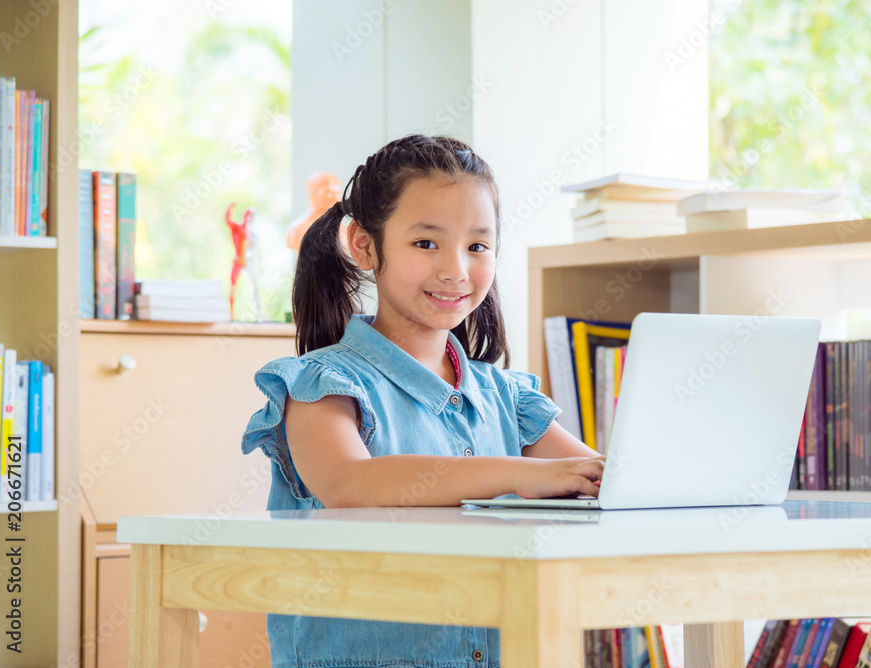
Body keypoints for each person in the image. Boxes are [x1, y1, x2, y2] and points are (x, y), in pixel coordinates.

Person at [241, 134, 604, 667]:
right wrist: (519, 476)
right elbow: (350, 485)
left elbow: (588, 476)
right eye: (426, 243)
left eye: (478, 246)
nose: (456, 270)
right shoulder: (321, 384)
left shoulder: (508, 397)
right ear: (366, 246)